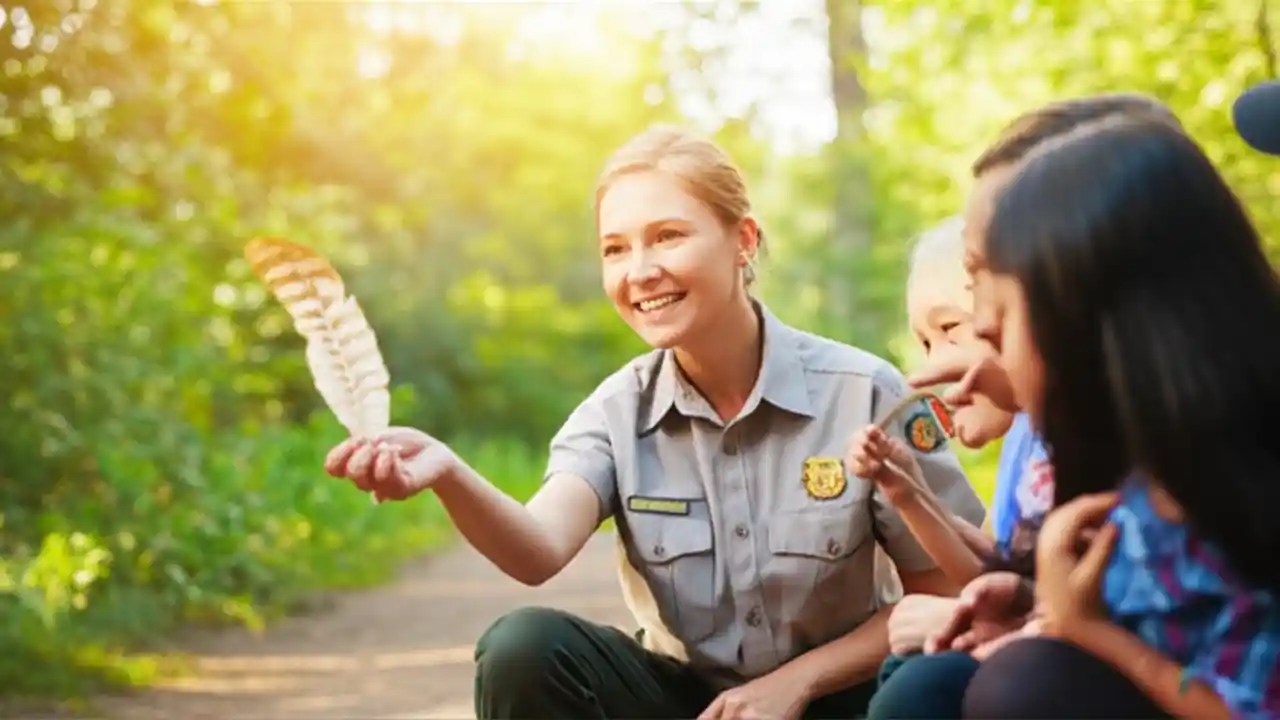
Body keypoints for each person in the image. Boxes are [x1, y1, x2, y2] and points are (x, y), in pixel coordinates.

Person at [323, 124, 986, 720]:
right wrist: (447, 473)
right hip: (683, 705)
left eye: (668, 236)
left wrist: (798, 682)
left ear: (743, 241)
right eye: (616, 249)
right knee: (523, 647)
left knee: (933, 684)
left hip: (839, 702)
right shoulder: (617, 413)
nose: (640, 271)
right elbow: (536, 551)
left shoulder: (862, 391)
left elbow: (945, 590)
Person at [864, 93, 1184, 720]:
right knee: (922, 682)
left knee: (1004, 684)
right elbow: (1020, 570)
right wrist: (1031, 607)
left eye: (993, 282)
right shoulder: (1056, 435)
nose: (983, 325)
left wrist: (1056, 627)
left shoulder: (1191, 439)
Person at [960, 115, 1280, 718]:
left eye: (1009, 298)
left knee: (1026, 687)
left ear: (1091, 323)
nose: (983, 325)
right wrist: (1037, 601)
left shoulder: (1238, 504)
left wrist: (1090, 632)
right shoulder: (1135, 492)